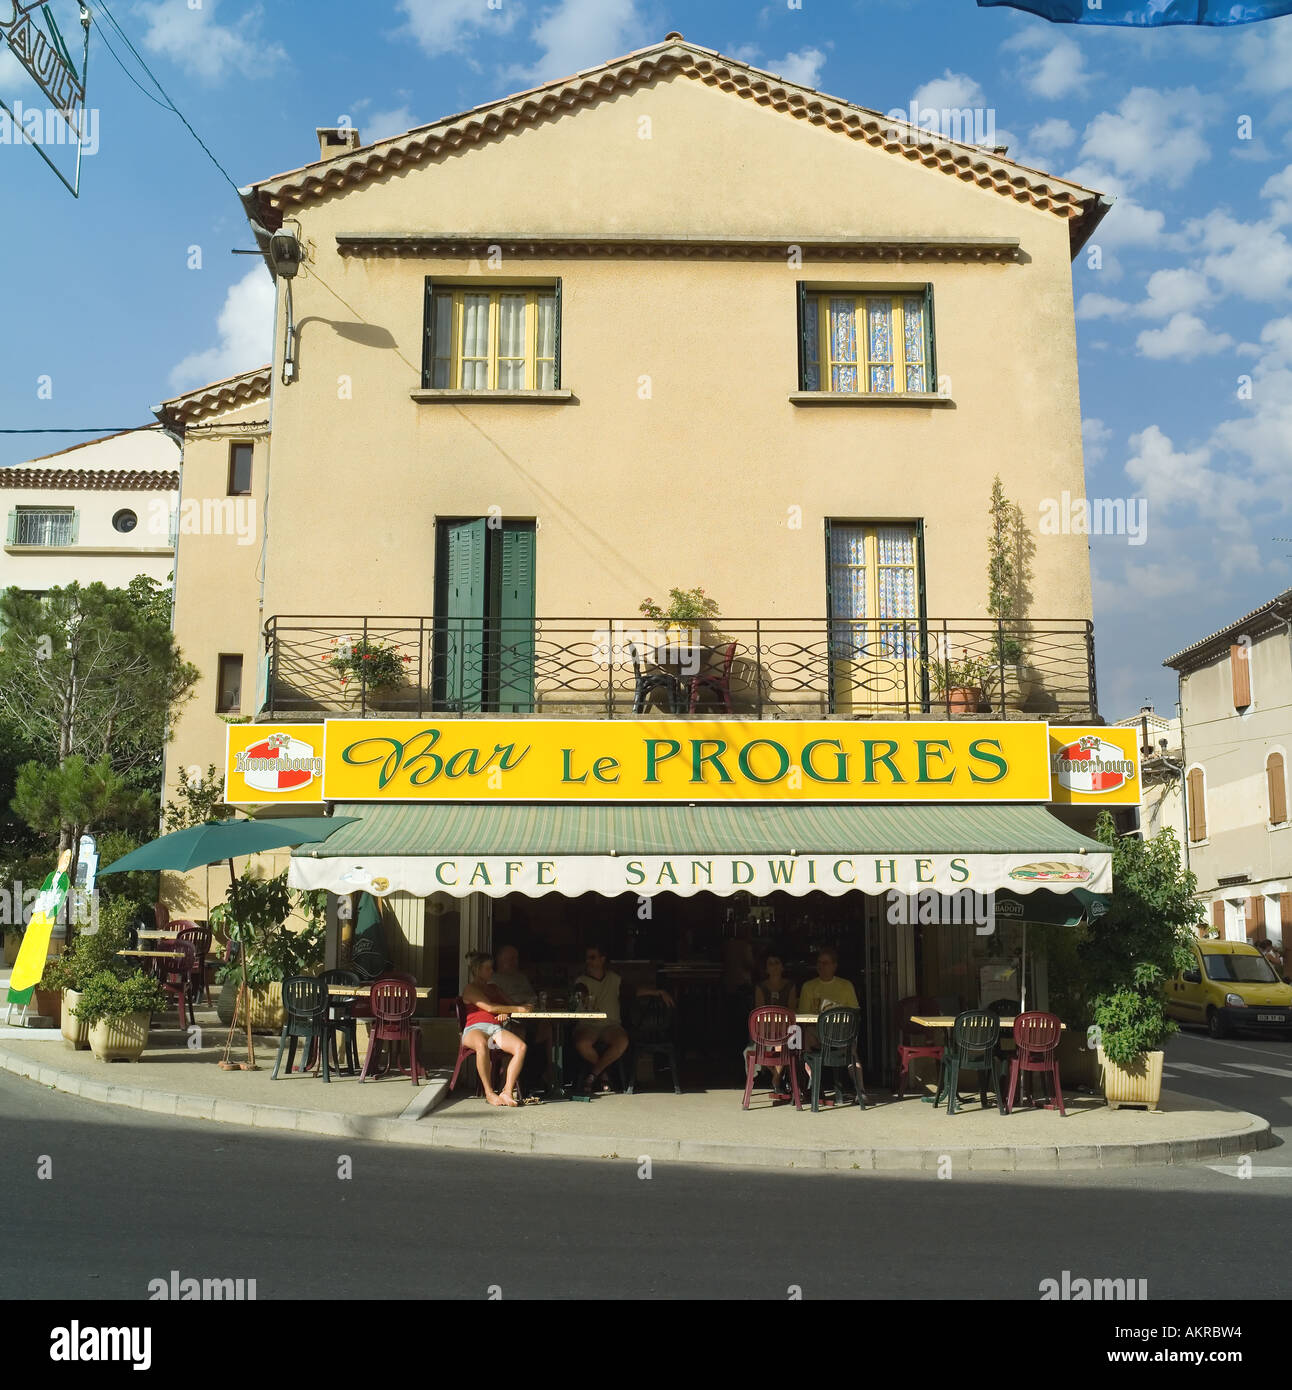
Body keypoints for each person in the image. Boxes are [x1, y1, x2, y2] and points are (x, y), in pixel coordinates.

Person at [572, 944, 673, 1095]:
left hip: (611, 1025)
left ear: (602, 959)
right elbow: (580, 992)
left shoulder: (614, 979)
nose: (589, 961)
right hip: (588, 1024)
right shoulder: (581, 980)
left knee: (622, 1041)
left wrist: (657, 991)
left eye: (592, 957)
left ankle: (593, 1075)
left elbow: (634, 991)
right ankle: (603, 1075)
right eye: (587, 958)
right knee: (582, 1044)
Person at [460, 950, 530, 1107]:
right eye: (488, 968)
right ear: (477, 970)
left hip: (495, 1029)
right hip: (474, 1028)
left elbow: (510, 1005)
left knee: (521, 1047)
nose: (492, 971)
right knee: (481, 1044)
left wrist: (516, 1009)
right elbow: (491, 1008)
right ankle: (489, 1092)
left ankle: (507, 1091)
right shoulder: (470, 989)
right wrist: (514, 1009)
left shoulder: (494, 988)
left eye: (492, 967)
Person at [797, 947, 860, 1098]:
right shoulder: (809, 987)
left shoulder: (845, 986)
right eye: (819, 962)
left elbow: (855, 1013)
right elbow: (803, 1015)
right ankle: (813, 1080)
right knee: (805, 1036)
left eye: (825, 963)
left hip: (841, 1035)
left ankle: (861, 1091)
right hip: (818, 1034)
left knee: (853, 1052)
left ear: (834, 965)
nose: (821, 966)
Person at [752, 953, 798, 1101]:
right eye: (770, 963)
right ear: (766, 968)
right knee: (777, 1046)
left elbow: (792, 1011)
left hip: (785, 1029)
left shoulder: (790, 986)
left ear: (782, 966)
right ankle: (778, 1078)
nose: (774, 966)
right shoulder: (760, 987)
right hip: (764, 1030)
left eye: (777, 962)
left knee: (784, 1045)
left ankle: (776, 1079)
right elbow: (759, 1012)